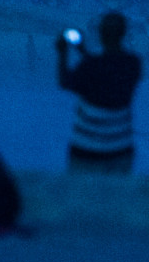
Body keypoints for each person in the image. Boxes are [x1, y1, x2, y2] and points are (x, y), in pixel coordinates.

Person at [56, 13, 142, 173]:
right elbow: (107, 69)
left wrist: (62, 52)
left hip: (86, 148)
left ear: (100, 34)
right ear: (123, 33)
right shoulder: (133, 63)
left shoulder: (89, 67)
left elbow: (65, 81)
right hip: (120, 148)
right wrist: (83, 51)